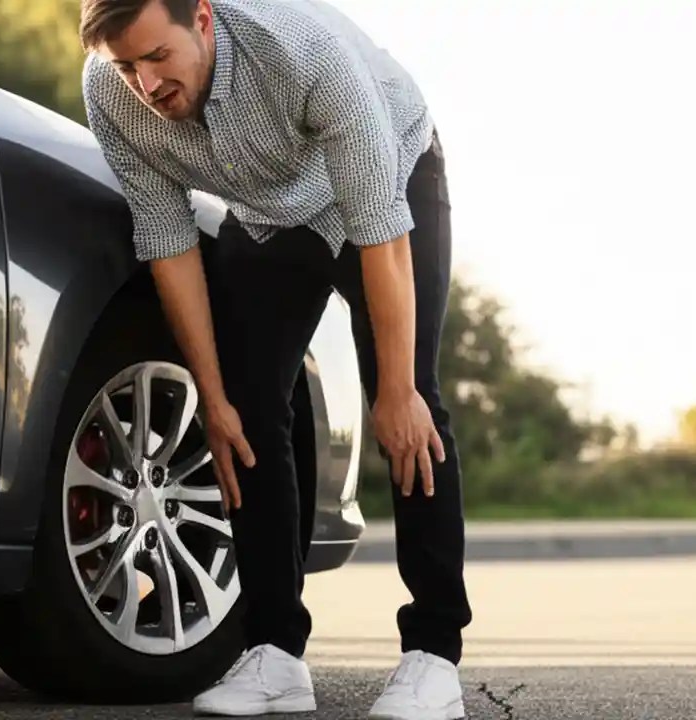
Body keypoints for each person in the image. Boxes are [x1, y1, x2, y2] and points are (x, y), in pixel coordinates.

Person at [78, 0, 472, 717]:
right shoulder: (111, 94)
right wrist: (214, 396)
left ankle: (433, 655)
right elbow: (168, 241)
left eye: (157, 57)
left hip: (387, 172)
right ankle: (274, 654)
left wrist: (394, 387)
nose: (146, 84)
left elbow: (380, 233)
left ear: (201, 19)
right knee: (244, 409)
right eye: (127, 66)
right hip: (271, 210)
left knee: (410, 397)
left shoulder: (301, 52)